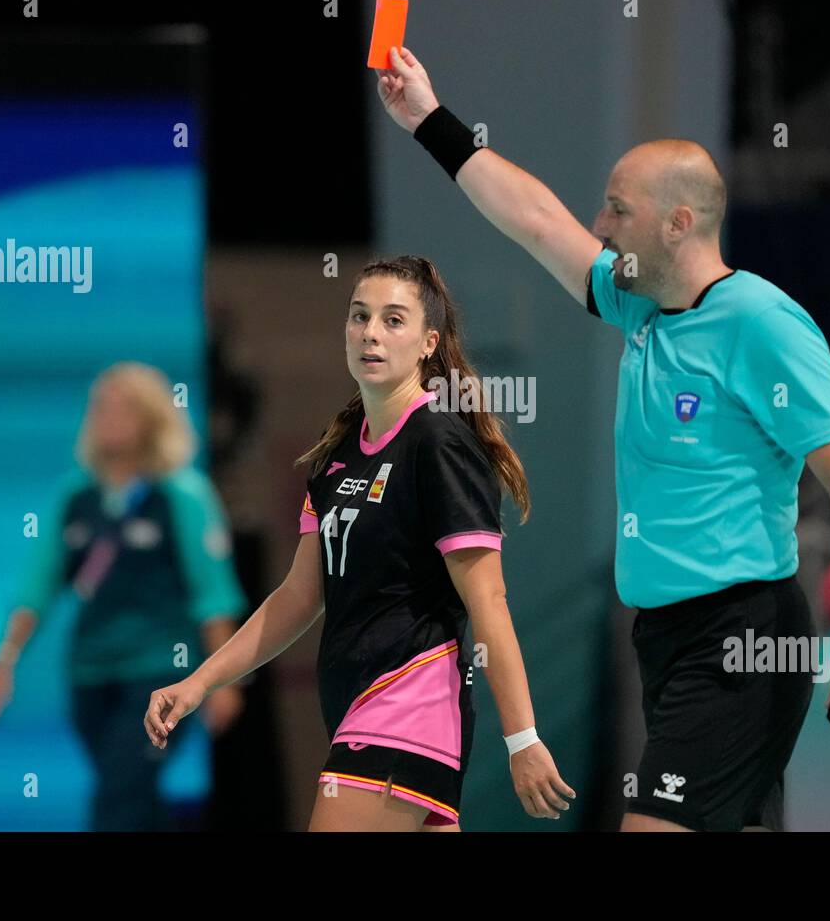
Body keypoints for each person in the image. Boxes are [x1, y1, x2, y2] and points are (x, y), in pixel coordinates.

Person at [375, 46, 830, 832]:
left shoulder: (760, 323)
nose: (600, 225)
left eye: (619, 210)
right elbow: (536, 220)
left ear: (678, 223)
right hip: (665, 637)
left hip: (742, 636)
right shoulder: (638, 304)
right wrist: (426, 120)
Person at [144, 256, 575, 831]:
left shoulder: (438, 442)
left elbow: (488, 601)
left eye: (393, 320)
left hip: (406, 708)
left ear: (429, 342)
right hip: (355, 709)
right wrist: (199, 682)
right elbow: (299, 596)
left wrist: (522, 739)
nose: (370, 332)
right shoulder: (335, 454)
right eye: (359, 316)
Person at [0, 362, 248, 830]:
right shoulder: (75, 497)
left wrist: (222, 682)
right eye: (100, 406)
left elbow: (213, 594)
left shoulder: (182, 494)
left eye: (122, 407)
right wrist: (5, 661)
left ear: (151, 418)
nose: (107, 417)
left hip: (159, 676)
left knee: (118, 798)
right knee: (133, 797)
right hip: (90, 674)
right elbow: (38, 589)